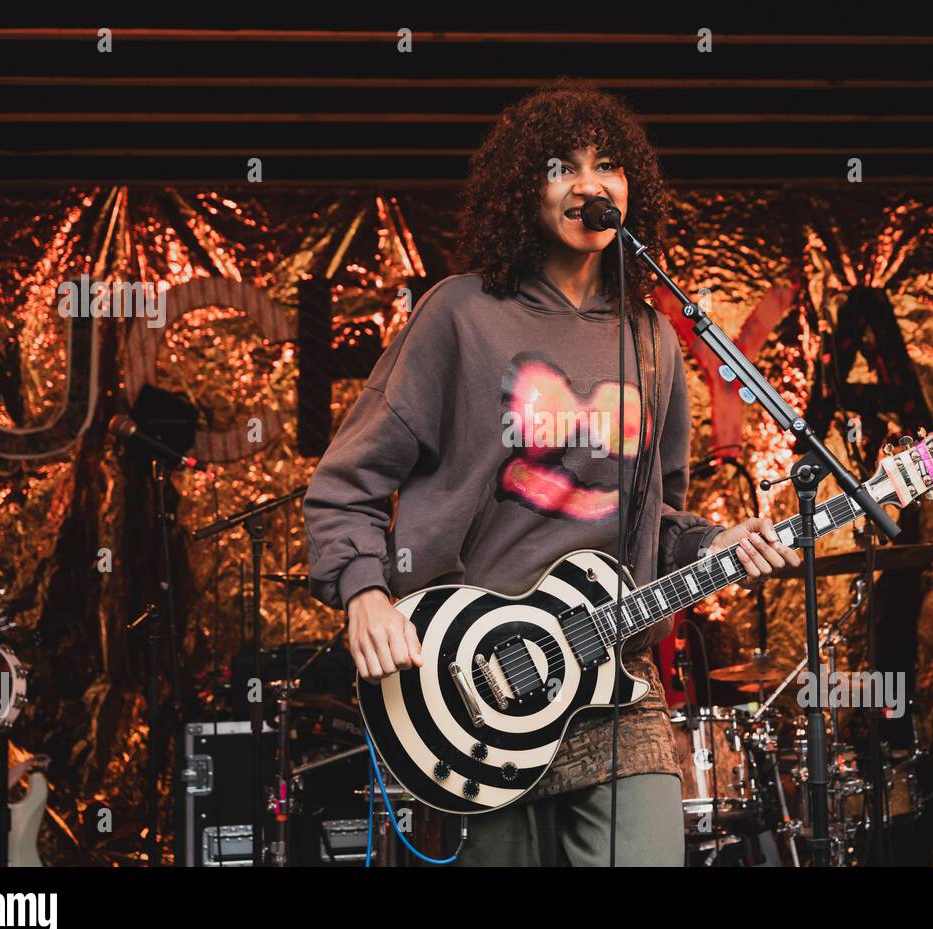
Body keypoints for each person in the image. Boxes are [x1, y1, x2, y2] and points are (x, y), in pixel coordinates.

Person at [303, 82, 801, 866]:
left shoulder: (652, 339)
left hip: (612, 684)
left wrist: (714, 543)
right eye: (559, 167)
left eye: (607, 167)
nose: (587, 185)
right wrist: (365, 592)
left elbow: (653, 519)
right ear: (520, 191)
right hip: (474, 686)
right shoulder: (460, 315)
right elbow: (346, 485)